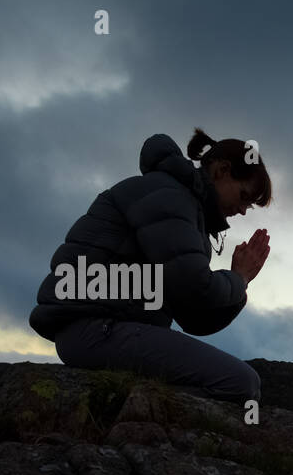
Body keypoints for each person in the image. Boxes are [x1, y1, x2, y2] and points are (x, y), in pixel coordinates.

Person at [29, 129, 272, 402]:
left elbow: (194, 317)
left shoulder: (187, 211)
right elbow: (195, 286)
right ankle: (131, 406)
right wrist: (236, 279)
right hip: (94, 328)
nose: (241, 211)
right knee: (240, 383)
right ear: (222, 170)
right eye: (243, 196)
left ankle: (128, 402)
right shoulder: (169, 196)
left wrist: (242, 283)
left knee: (242, 383)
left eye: (248, 207)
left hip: (104, 331)